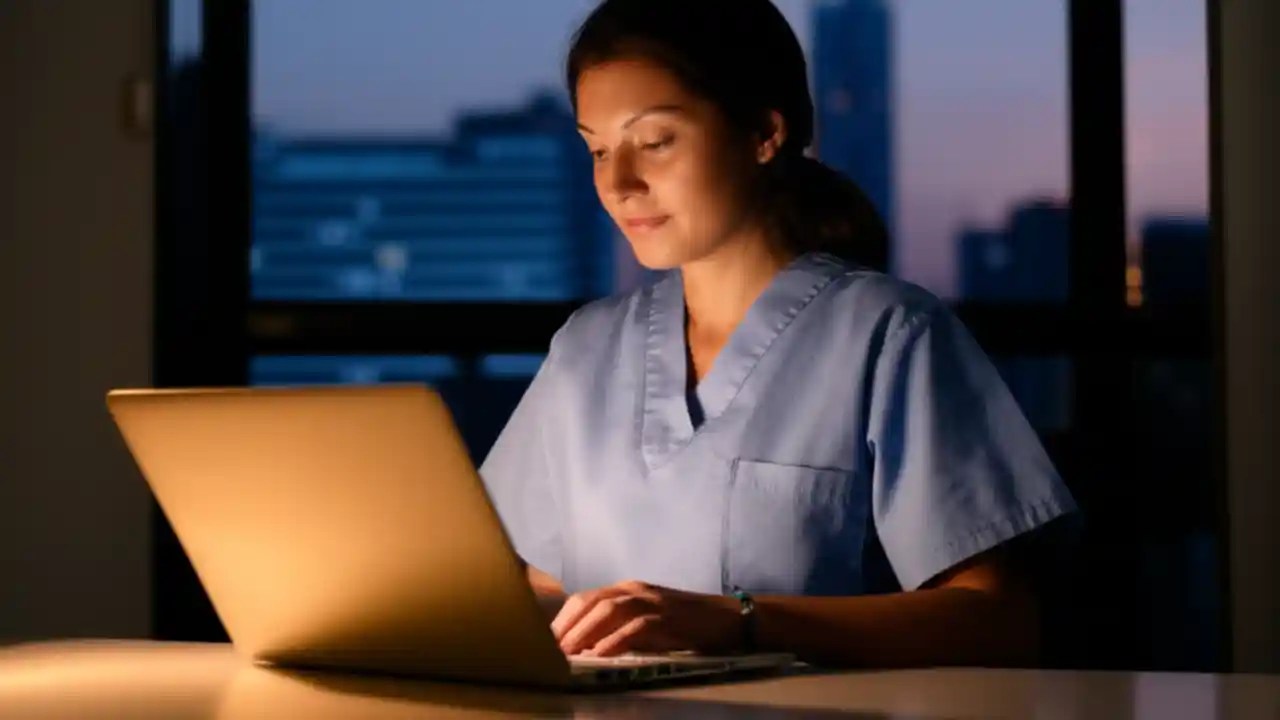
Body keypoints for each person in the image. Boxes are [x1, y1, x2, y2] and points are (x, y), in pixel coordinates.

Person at [479, 0, 1078, 668]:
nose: (618, 183)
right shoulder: (585, 350)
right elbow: (539, 589)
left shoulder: (889, 334)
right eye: (596, 148)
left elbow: (997, 620)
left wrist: (739, 621)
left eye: (654, 142)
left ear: (764, 133)